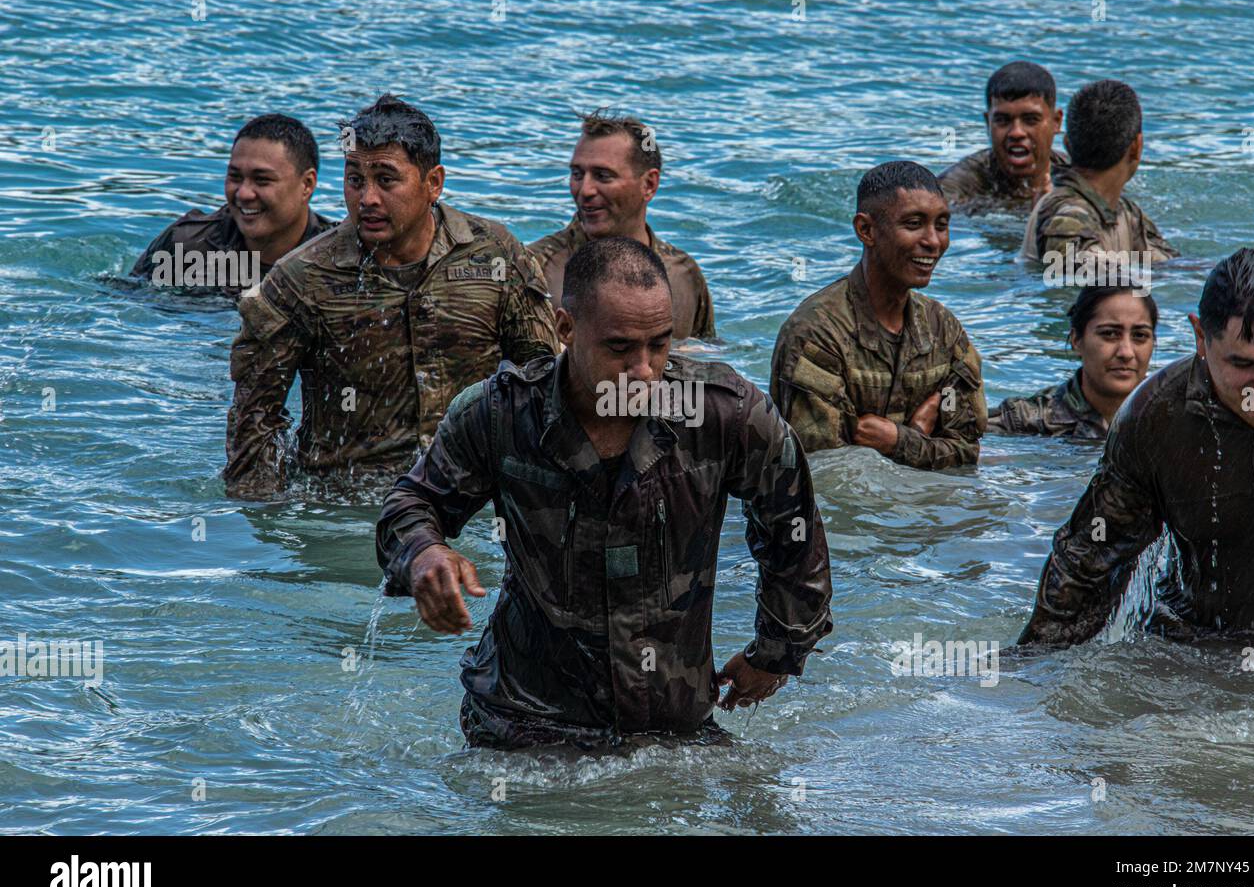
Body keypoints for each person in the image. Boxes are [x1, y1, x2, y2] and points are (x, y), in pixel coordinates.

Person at [375, 236, 833, 749]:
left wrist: (775, 651)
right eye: (619, 347)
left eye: (659, 343)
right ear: (565, 328)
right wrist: (424, 554)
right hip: (522, 721)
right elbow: (410, 505)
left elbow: (793, 524)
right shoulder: (499, 413)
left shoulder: (723, 413)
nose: (643, 369)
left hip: (671, 724)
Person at [224, 95, 558, 500]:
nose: (367, 199)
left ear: (433, 182)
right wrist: (263, 529)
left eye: (386, 179)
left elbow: (542, 386)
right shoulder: (301, 278)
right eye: (355, 180)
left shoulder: (496, 257)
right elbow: (254, 420)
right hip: (344, 504)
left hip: (471, 497)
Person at [1019, 248, 1254, 646]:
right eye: (1244, 365)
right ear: (1200, 337)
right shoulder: (1154, 417)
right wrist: (1032, 669)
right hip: (1193, 642)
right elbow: (1090, 557)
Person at [769, 161, 986, 468]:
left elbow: (967, 453)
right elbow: (824, 470)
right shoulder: (817, 334)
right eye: (913, 224)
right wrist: (921, 435)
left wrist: (901, 440)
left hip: (920, 508)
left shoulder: (944, 331)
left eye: (941, 225)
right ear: (866, 230)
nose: (933, 241)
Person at [529, 110, 715, 341]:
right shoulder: (535, 269)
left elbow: (708, 363)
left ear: (649, 184)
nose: (585, 190)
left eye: (603, 176)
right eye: (577, 174)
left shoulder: (683, 275)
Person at [130, 114, 334, 297]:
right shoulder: (187, 245)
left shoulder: (341, 260)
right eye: (235, 177)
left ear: (307, 184)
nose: (243, 193)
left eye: (262, 180)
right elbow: (128, 303)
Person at [1022, 79, 1177, 268]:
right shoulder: (1066, 214)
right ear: (1136, 147)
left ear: (1067, 144)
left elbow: (1174, 267)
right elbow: (1080, 272)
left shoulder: (1127, 213)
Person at [989, 284, 1158, 438]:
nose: (1126, 353)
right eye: (1109, 334)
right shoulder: (1023, 421)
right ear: (1076, 340)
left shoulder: (1173, 418)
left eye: (1140, 336)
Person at [939, 61, 1068, 211]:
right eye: (1002, 120)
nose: (1016, 132)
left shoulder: (1075, 174)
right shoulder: (959, 187)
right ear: (988, 123)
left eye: (1030, 120)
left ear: (1056, 122)